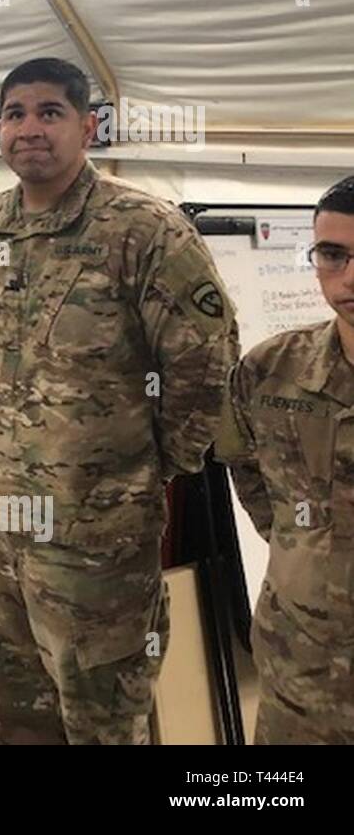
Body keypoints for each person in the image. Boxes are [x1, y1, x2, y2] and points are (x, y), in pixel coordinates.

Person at [0, 57, 238, 745]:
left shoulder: (142, 229)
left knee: (104, 721)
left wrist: (145, 470)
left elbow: (205, 364)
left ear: (87, 126)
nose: (29, 128)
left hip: (95, 545)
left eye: (50, 112)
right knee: (17, 709)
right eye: (14, 113)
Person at [217, 174, 354, 745]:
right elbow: (242, 462)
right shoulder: (270, 370)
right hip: (301, 673)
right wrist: (303, 549)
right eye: (333, 254)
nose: (350, 278)